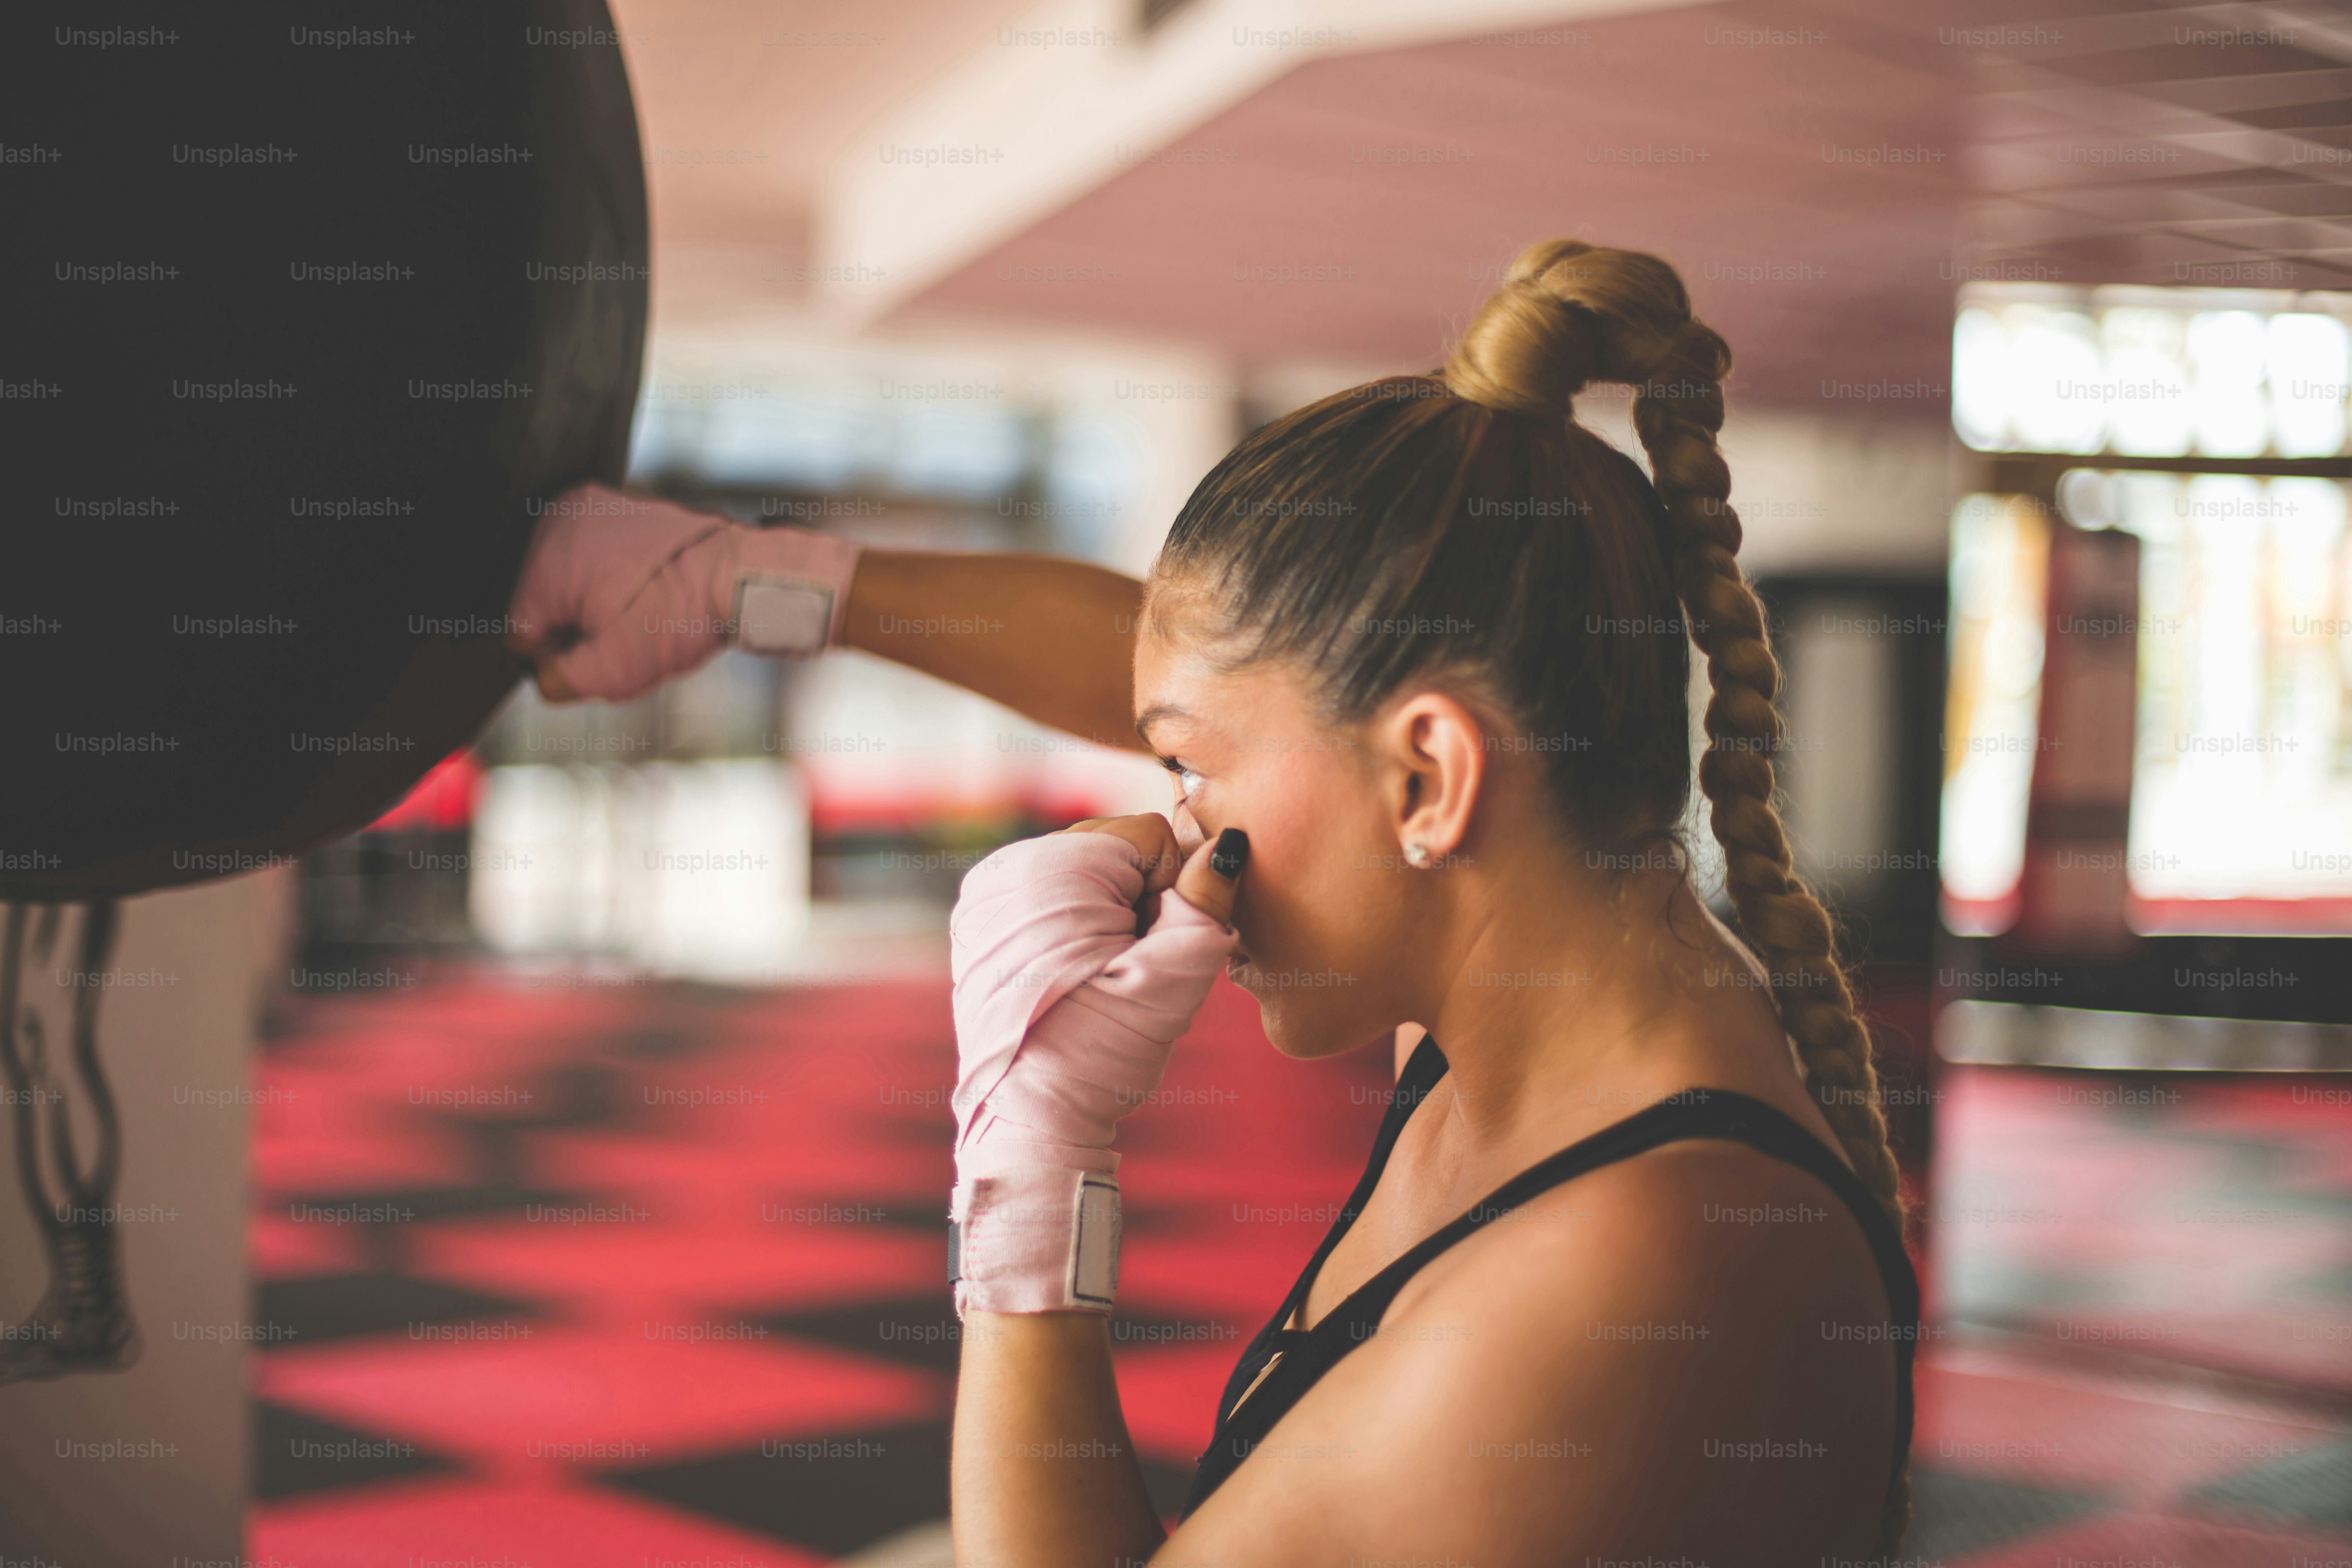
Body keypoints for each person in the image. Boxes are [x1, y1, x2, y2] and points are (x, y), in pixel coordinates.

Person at [510, 239, 1918, 1565]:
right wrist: (751, 586)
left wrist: (1030, 1180)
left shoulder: (1627, 1276)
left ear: (1428, 777)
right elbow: (1239, 681)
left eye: (1186, 768)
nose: (1174, 830)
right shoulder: (1541, 1004)